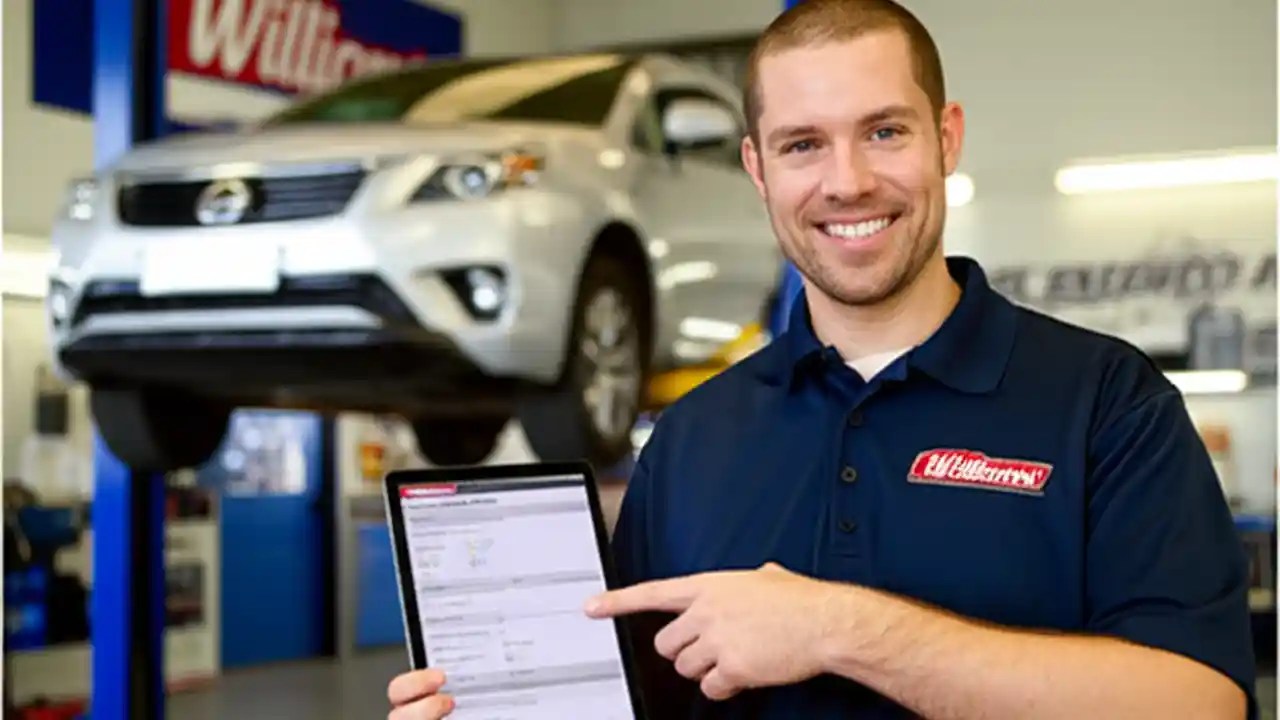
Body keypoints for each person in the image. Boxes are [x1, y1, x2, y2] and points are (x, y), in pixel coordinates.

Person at [387, 0, 1258, 717]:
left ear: (946, 138)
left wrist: (840, 628)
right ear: (758, 170)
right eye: (803, 144)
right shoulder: (690, 440)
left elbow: (1200, 702)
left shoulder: (1106, 401)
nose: (847, 182)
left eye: (884, 132)